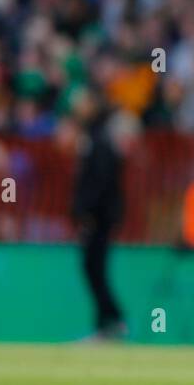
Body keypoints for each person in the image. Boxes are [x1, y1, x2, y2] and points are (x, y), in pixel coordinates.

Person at [71, 88, 127, 340]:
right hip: (100, 215)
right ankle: (109, 321)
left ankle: (110, 321)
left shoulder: (99, 139)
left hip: (99, 216)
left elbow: (100, 181)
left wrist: (87, 211)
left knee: (94, 267)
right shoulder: (97, 137)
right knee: (94, 268)